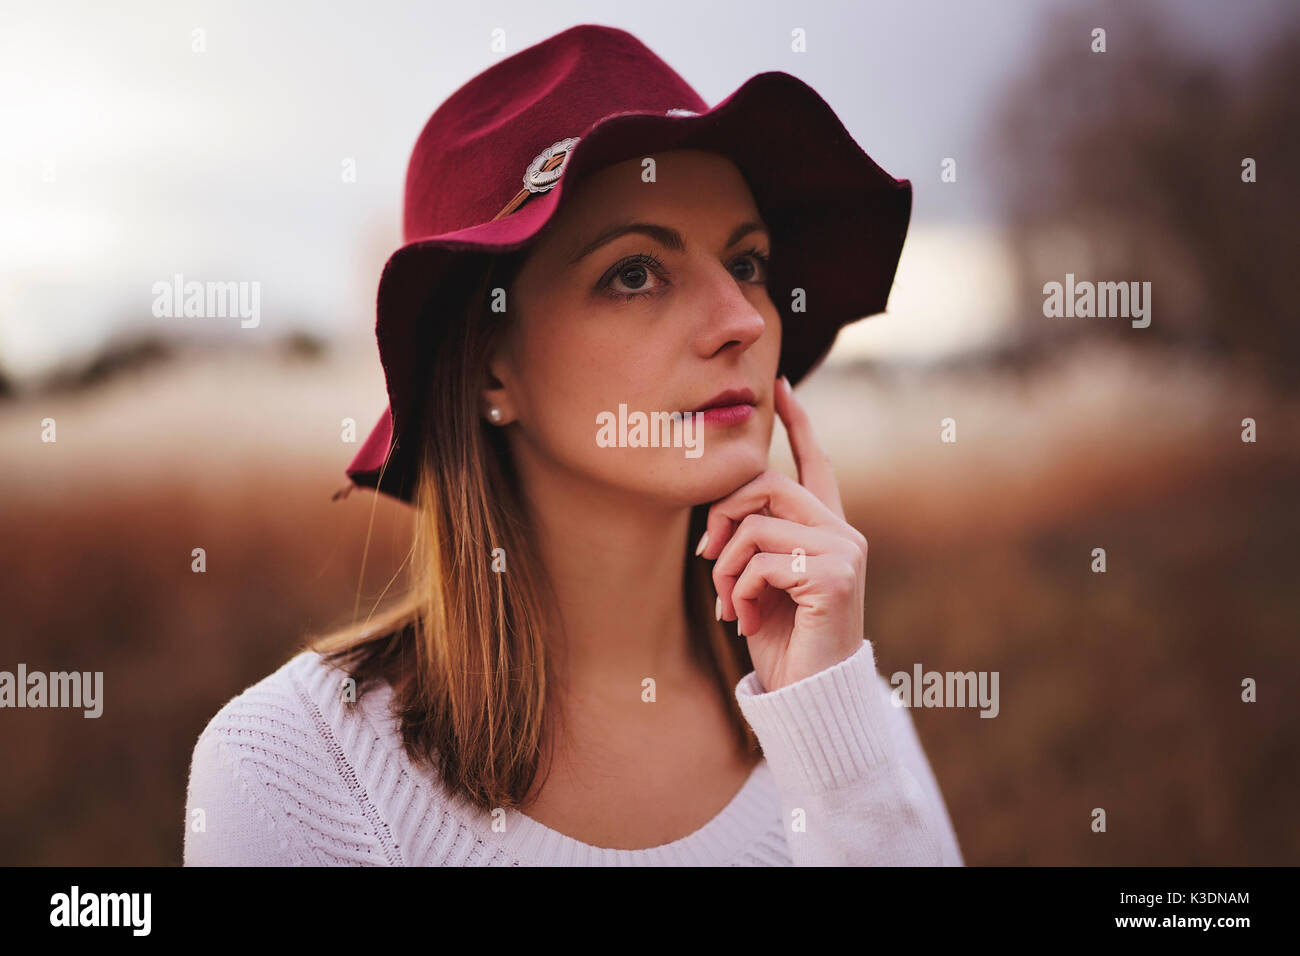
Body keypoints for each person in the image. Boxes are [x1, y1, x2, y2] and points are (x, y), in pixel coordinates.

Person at [183, 23, 963, 866]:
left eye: (747, 264)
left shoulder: (839, 700)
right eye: (634, 273)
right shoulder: (296, 767)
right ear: (490, 371)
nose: (740, 320)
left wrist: (832, 743)